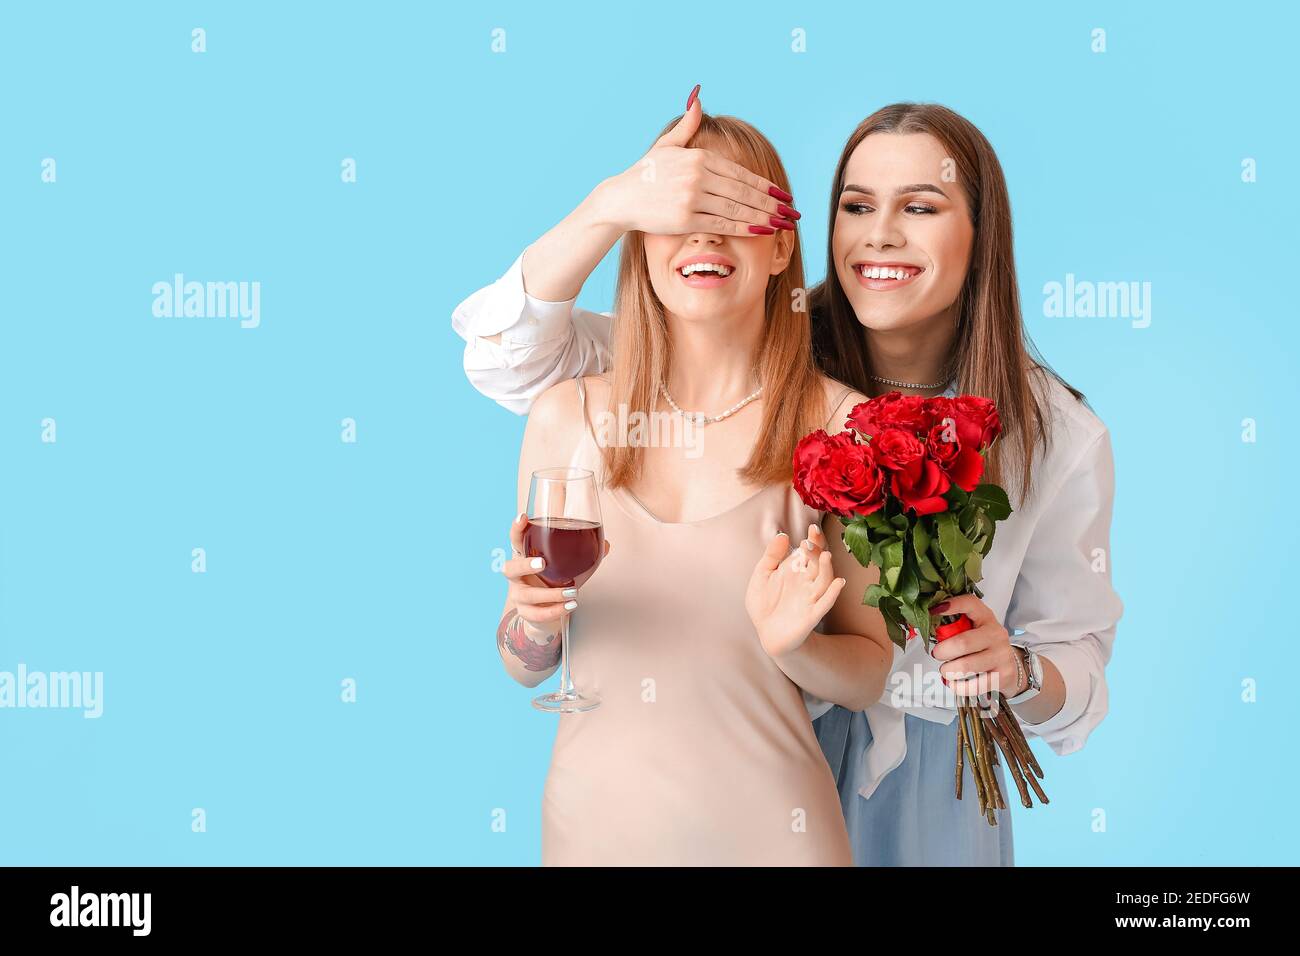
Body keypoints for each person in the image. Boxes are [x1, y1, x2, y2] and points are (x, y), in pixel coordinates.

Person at [457, 90, 1122, 866]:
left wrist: (1017, 668)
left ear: (982, 236)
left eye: (921, 207)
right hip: (741, 766)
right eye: (857, 204)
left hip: (921, 777)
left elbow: (1074, 661)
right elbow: (506, 354)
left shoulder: (1051, 435)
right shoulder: (717, 339)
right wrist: (616, 203)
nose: (880, 234)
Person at [492, 110, 893, 865]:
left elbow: (869, 673)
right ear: (642, 243)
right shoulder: (565, 416)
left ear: (779, 249)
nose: (705, 236)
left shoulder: (847, 428)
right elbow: (524, 665)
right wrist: (532, 623)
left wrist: (796, 649)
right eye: (682, 213)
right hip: (592, 834)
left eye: (733, 213)